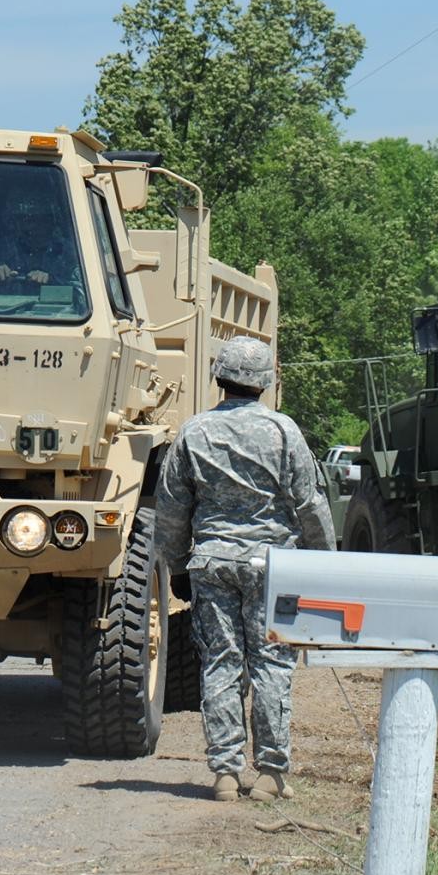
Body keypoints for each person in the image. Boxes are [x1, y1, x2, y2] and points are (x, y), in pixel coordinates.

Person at [154, 336, 336, 803]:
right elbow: (310, 503)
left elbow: (172, 510)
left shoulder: (193, 433)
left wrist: (175, 566)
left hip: (212, 564)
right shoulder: (282, 431)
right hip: (272, 567)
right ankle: (271, 774)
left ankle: (226, 773)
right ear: (266, 383)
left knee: (220, 663)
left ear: (220, 377)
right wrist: (325, 559)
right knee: (272, 663)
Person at [0, 193, 79, 291]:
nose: (32, 227)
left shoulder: (69, 253)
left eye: (40, 220)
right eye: (26, 220)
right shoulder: (1, 249)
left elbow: (81, 290)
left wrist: (51, 280)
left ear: (51, 222)